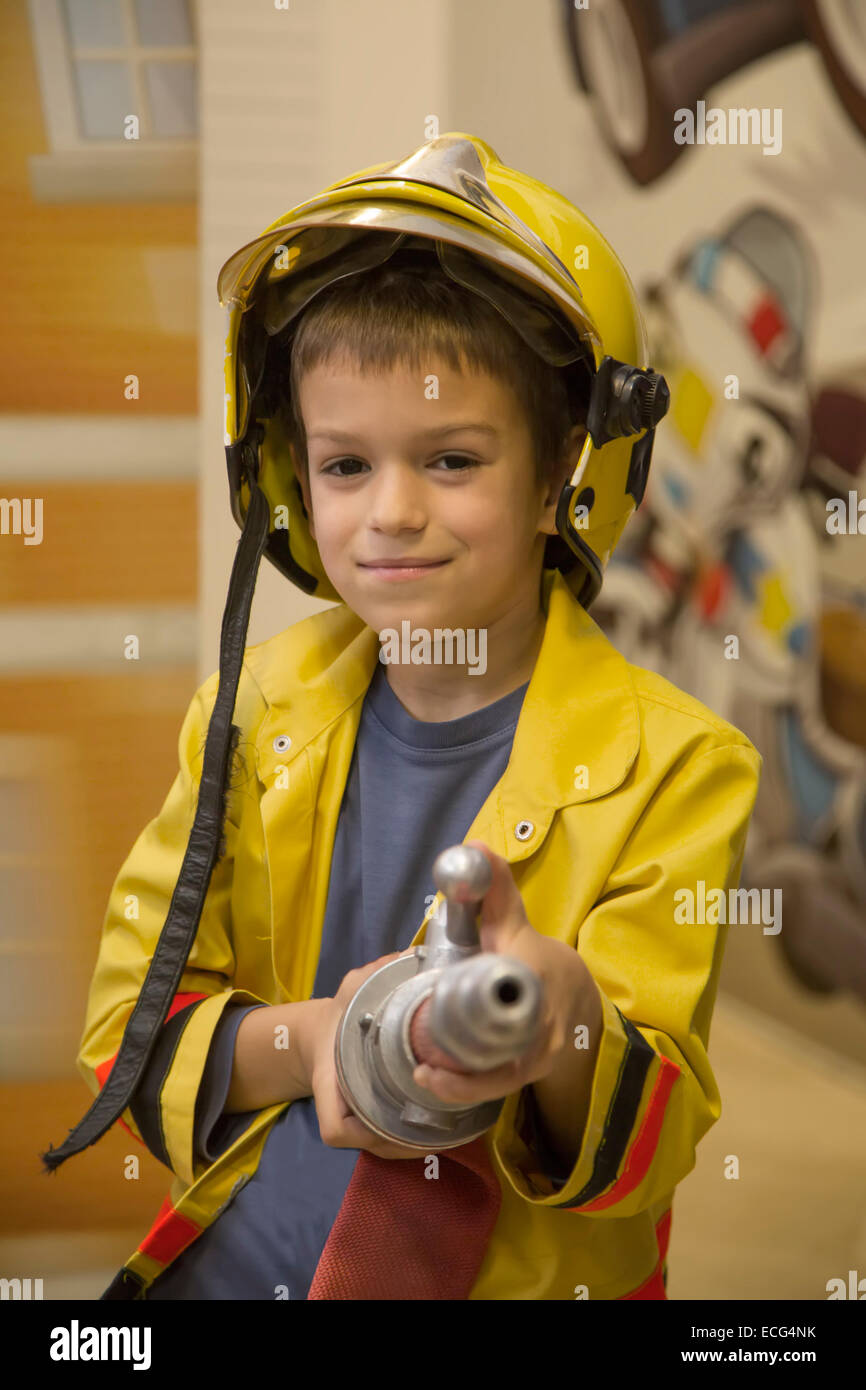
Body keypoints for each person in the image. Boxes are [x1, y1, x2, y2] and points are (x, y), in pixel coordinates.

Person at [41, 133, 761, 1300]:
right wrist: (318, 1037)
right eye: (342, 466)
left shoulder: (680, 766)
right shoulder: (245, 709)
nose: (392, 512)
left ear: (559, 472)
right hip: (240, 1270)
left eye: (451, 458)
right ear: (284, 474)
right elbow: (129, 1030)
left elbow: (648, 1140)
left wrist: (559, 1020)